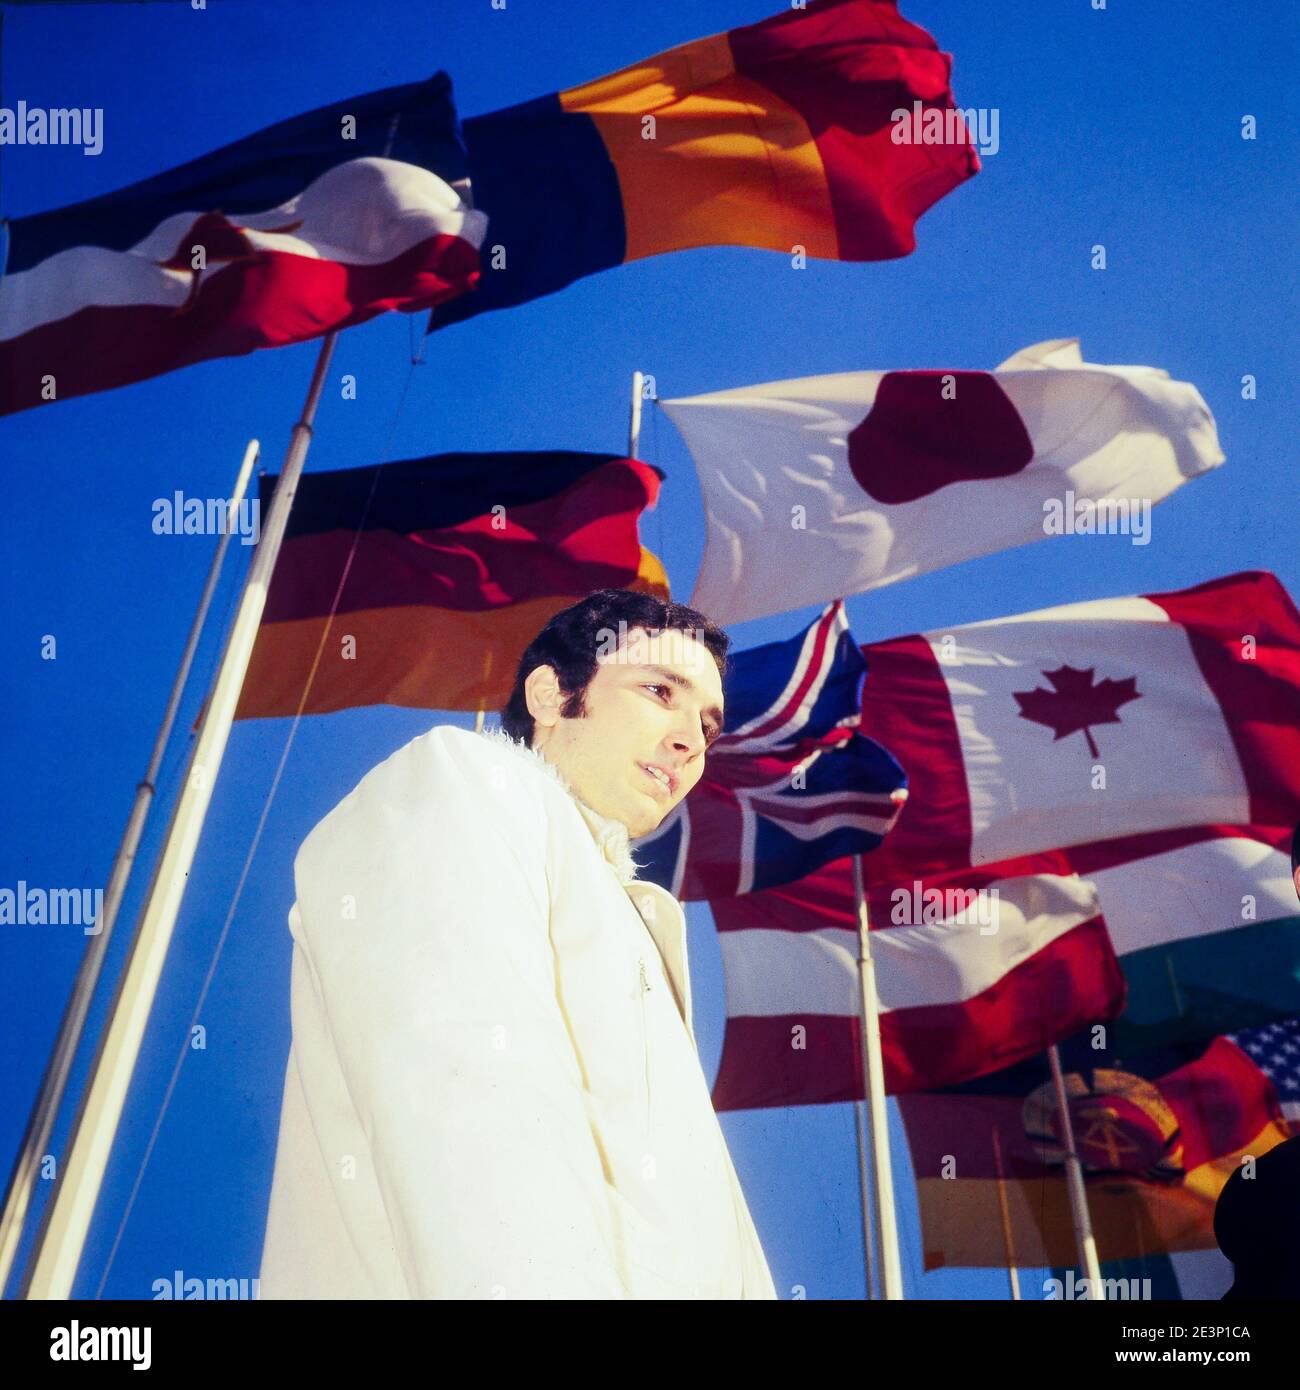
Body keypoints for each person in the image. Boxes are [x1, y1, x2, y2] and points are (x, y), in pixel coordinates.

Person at [258, 589, 777, 1299]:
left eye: (708, 727)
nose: (691, 741)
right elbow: (469, 1102)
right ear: (551, 694)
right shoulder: (469, 782)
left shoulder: (634, 916)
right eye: (660, 691)